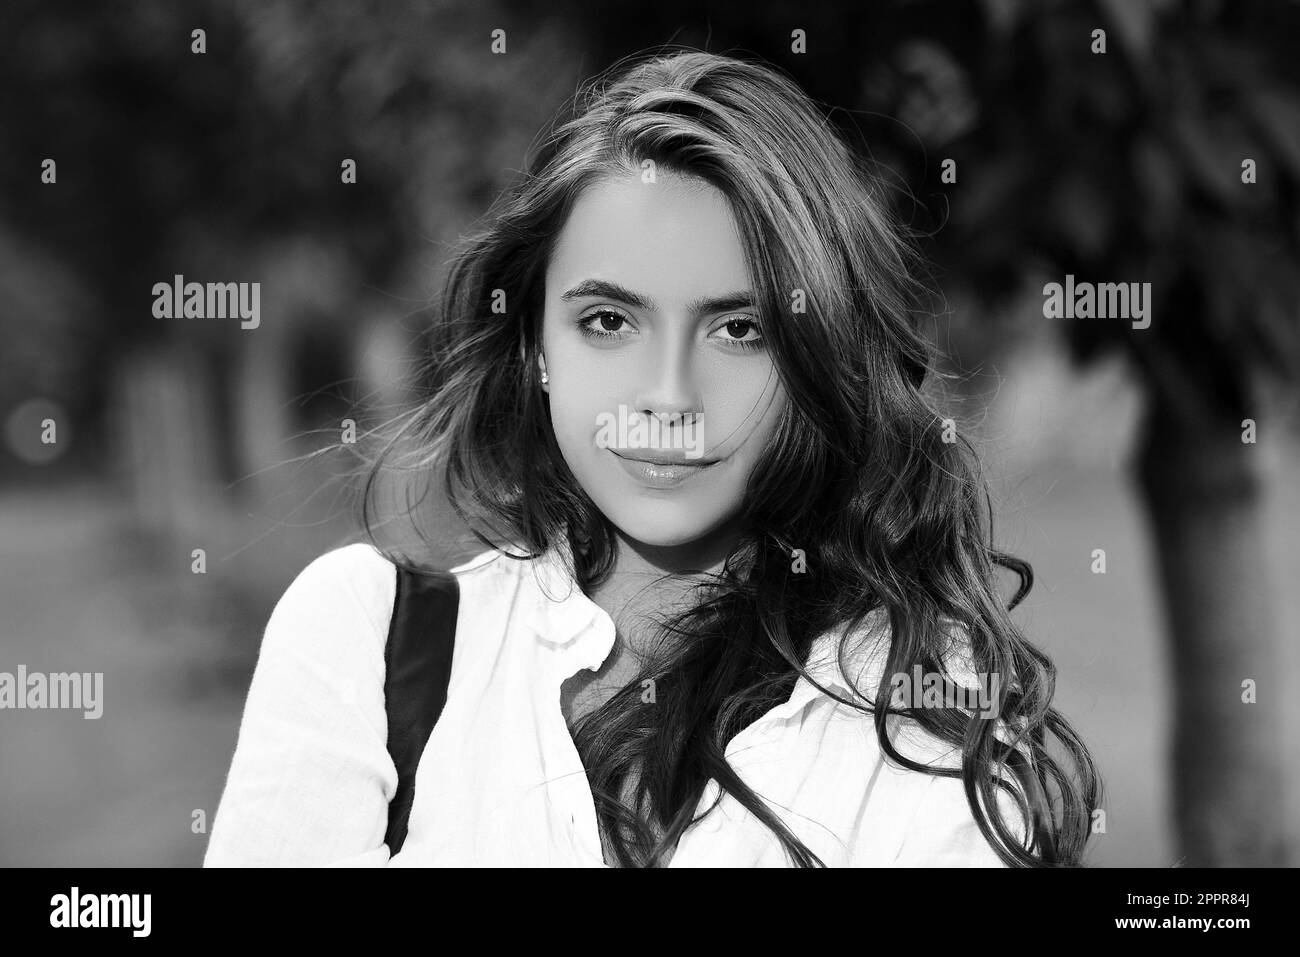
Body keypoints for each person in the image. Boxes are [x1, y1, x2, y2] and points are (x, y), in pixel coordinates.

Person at [204, 48, 1099, 868]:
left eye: (739, 329)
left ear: (816, 358)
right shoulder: (369, 644)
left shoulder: (910, 717)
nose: (666, 398)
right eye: (608, 321)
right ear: (536, 347)